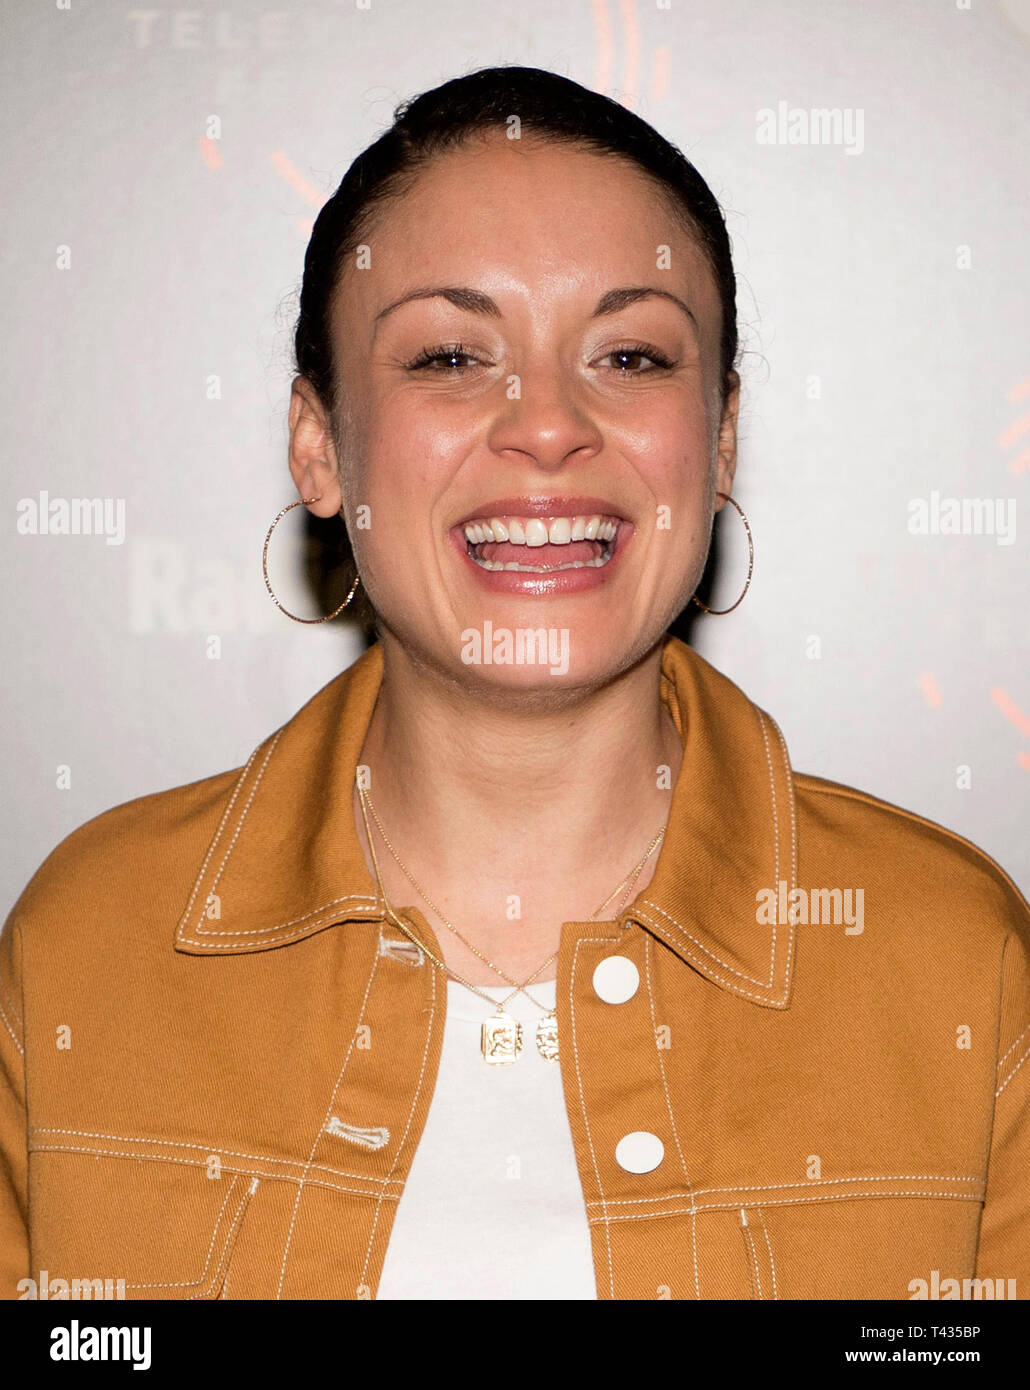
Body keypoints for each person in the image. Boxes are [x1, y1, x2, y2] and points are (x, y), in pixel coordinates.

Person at [1, 65, 1027, 1303]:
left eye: (632, 354)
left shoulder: (959, 964)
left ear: (720, 444)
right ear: (317, 446)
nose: (546, 424)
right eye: (447, 353)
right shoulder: (84, 951)